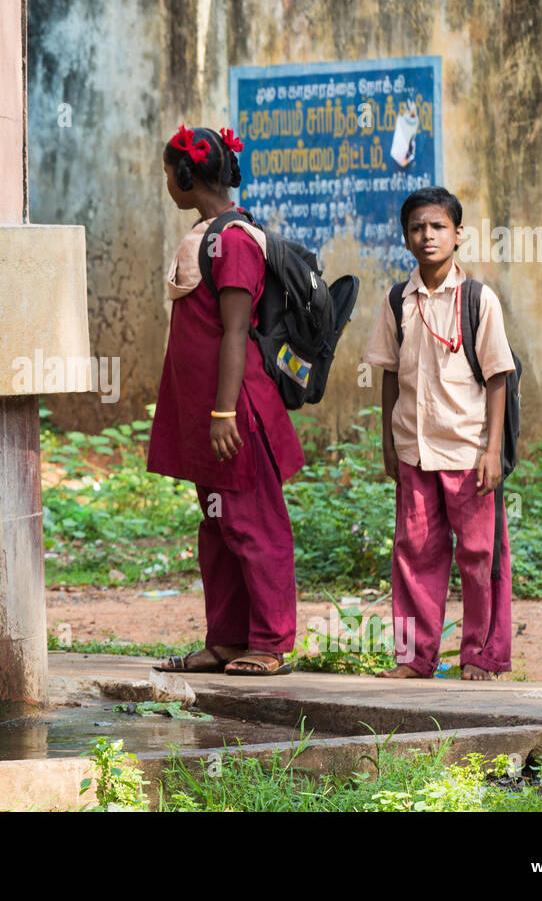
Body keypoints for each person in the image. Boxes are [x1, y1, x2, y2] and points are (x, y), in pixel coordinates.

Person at [149, 126, 305, 677]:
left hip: (235, 418)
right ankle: (226, 640)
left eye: (169, 172)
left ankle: (269, 642)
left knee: (255, 526)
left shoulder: (234, 241)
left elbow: (235, 333)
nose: (166, 181)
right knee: (218, 529)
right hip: (208, 419)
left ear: (186, 176)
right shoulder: (205, 235)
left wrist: (222, 413)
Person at [362, 186, 515, 681]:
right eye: (417, 228)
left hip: (468, 452)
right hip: (415, 450)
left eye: (437, 227)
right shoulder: (396, 301)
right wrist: (389, 441)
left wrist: (492, 450)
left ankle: (481, 656)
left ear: (458, 235)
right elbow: (388, 373)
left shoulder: (477, 300)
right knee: (413, 556)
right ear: (405, 239)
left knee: (479, 557)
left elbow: (498, 377)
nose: (427, 236)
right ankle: (414, 658)